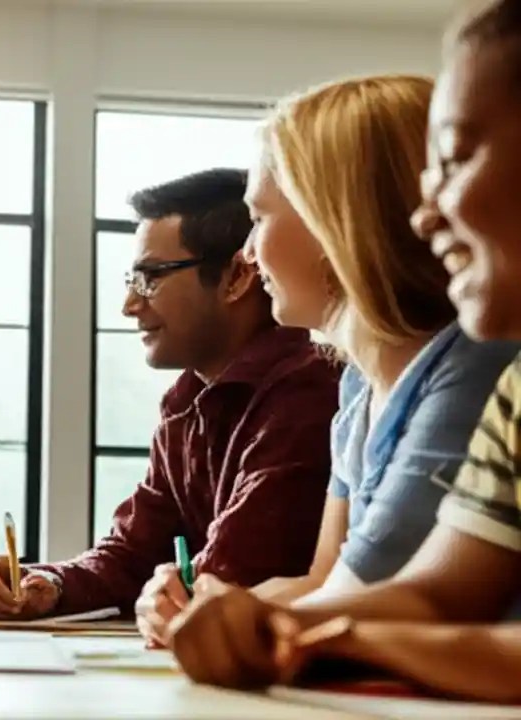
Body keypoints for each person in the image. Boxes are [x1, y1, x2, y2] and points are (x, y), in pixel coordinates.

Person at [166, 2, 521, 702]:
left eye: (456, 159)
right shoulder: (511, 388)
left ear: (339, 221)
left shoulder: (477, 367)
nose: (427, 214)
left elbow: (380, 597)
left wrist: (285, 631)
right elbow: (432, 596)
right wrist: (258, 625)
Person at [0, 168, 340, 620]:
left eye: (150, 278)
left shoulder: (309, 388)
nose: (129, 304)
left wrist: (160, 593)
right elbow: (131, 553)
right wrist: (48, 585)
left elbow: (235, 572)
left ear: (237, 277)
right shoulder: (184, 402)